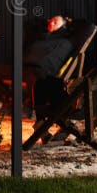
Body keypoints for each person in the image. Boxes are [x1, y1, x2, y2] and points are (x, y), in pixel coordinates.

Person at [24, 15, 75, 143]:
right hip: (35, 74)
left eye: (55, 22)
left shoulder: (64, 42)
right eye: (50, 20)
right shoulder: (41, 39)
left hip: (46, 77)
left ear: (63, 26)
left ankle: (44, 125)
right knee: (40, 81)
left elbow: (51, 62)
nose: (51, 23)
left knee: (42, 81)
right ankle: (51, 125)